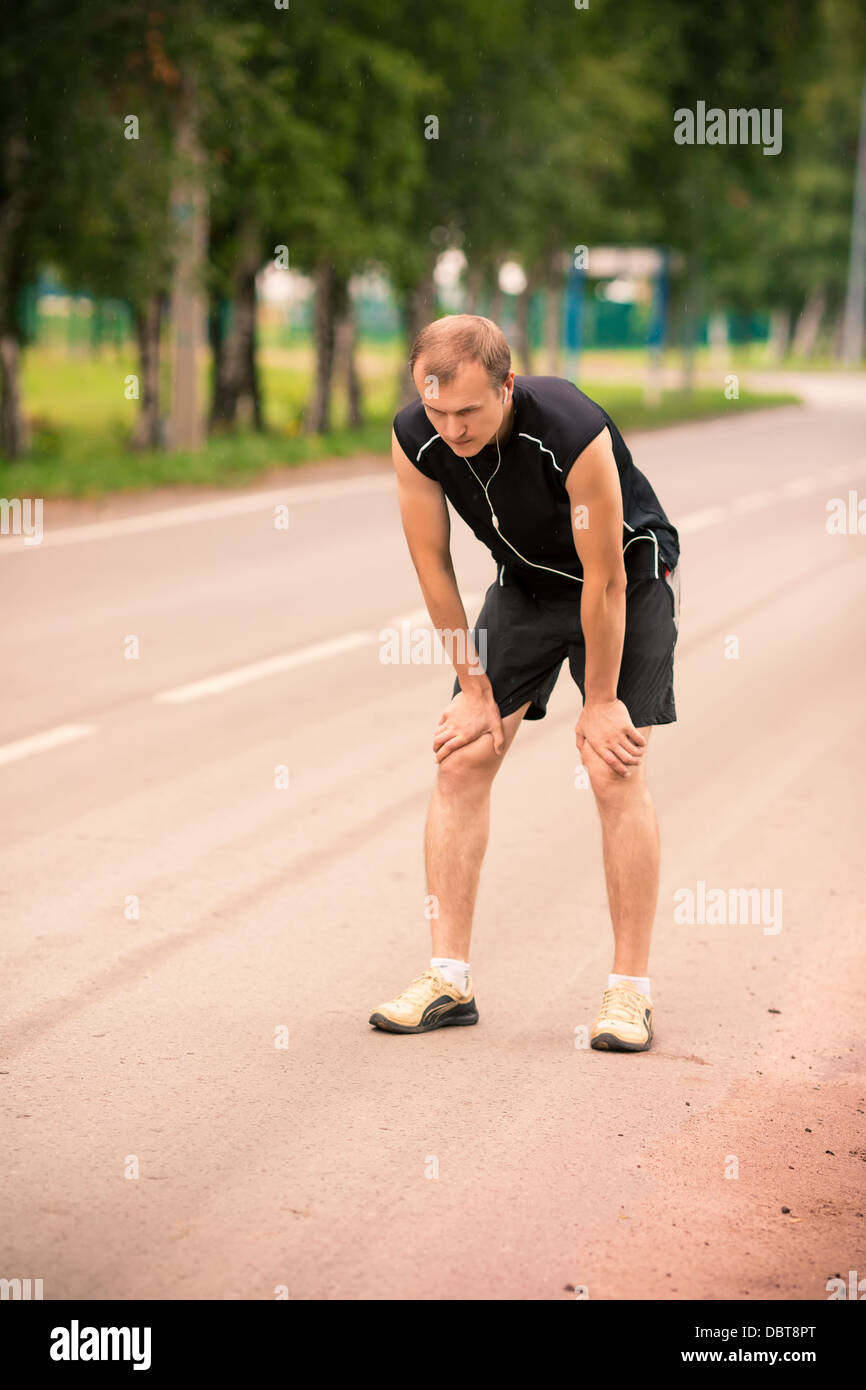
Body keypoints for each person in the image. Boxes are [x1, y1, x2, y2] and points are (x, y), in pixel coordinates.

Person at [369, 314, 680, 1051]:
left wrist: (600, 702)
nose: (451, 427)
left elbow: (602, 580)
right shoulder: (416, 433)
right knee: (463, 755)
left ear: (507, 386)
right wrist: (473, 689)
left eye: (468, 412)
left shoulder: (571, 429)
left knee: (611, 768)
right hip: (528, 586)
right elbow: (432, 565)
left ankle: (628, 994)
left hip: (624, 580)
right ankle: (448, 979)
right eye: (437, 410)